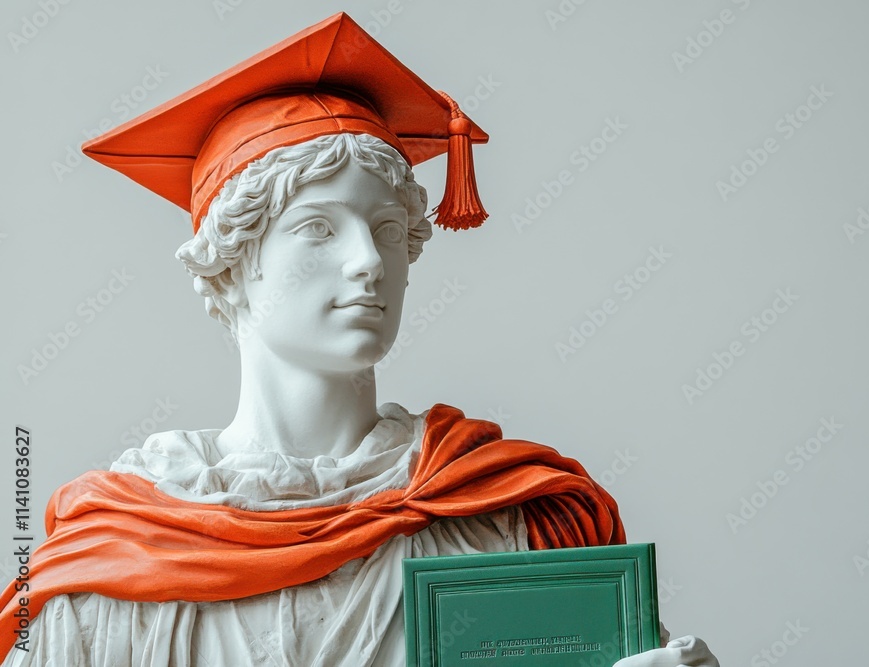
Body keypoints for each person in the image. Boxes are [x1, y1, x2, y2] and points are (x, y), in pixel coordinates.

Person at [0, 12, 718, 666]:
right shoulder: (119, 554)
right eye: (318, 228)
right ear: (233, 264)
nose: (370, 262)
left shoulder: (498, 518)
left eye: (385, 231)